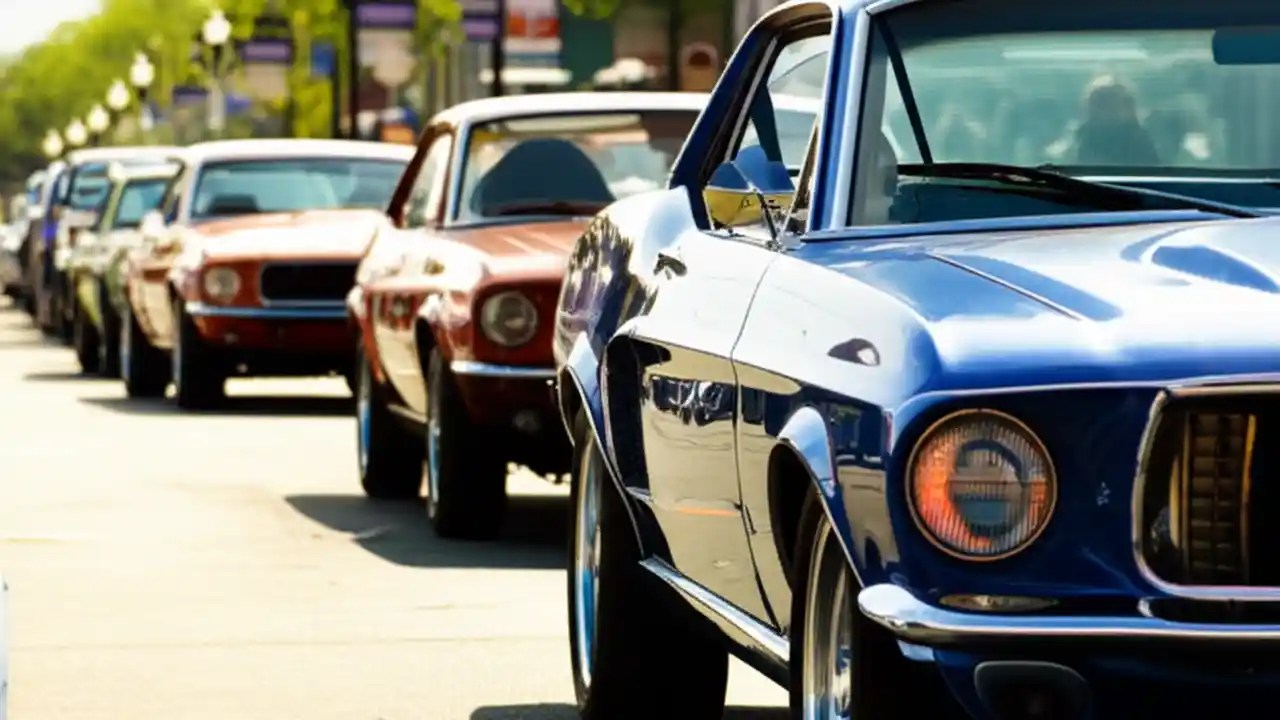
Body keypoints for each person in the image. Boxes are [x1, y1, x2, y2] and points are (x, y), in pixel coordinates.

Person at [1073, 75, 1159, 165]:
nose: (1107, 110)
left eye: (1112, 103)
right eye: (1101, 103)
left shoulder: (1141, 141)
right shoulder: (1079, 141)